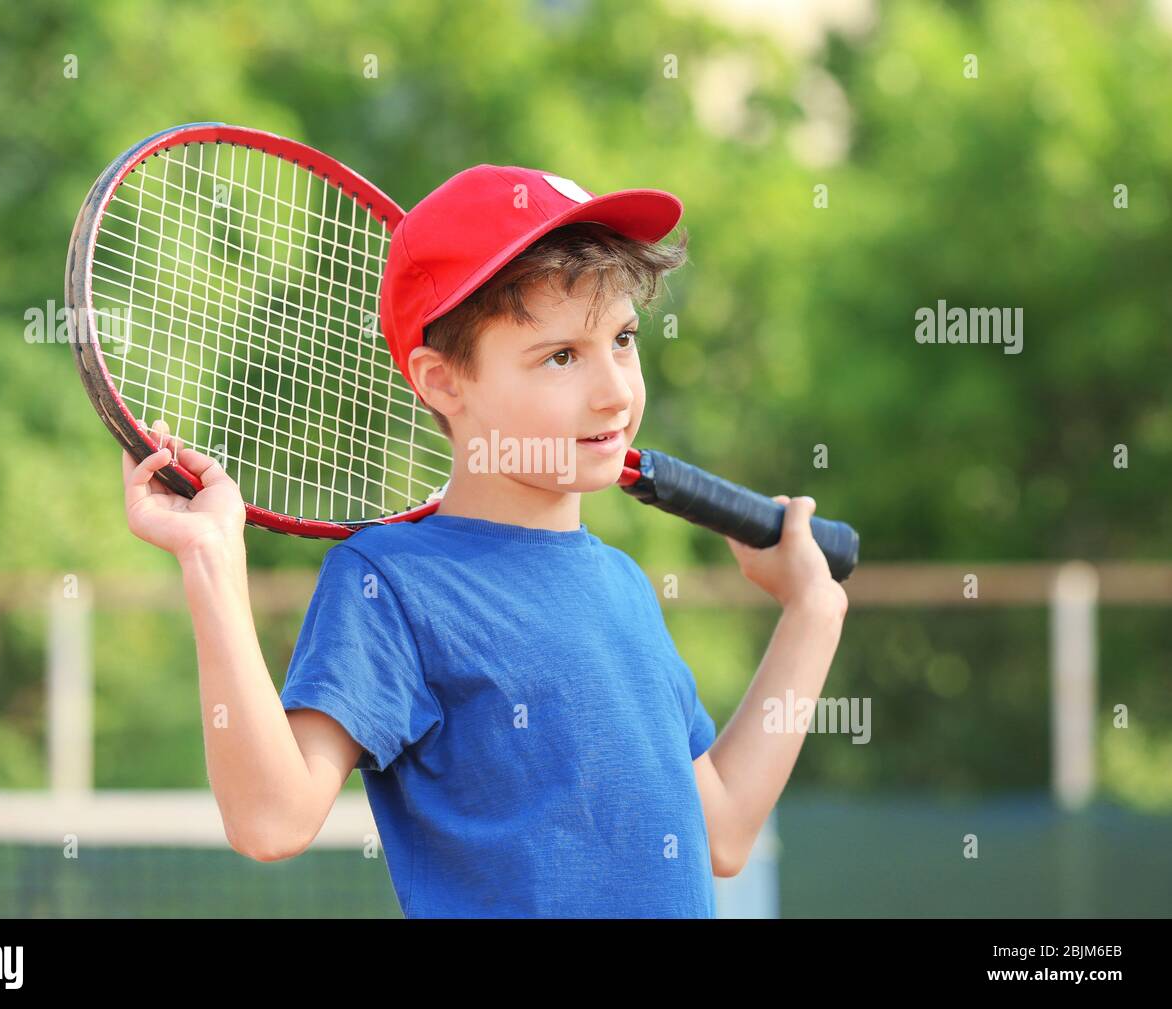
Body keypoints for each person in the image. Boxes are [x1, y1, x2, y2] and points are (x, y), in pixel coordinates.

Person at [120, 164, 848, 918]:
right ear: (441, 383)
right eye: (561, 356)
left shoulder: (625, 585)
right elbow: (271, 819)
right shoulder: (390, 583)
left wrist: (812, 609)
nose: (615, 391)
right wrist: (211, 559)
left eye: (623, 339)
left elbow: (721, 832)